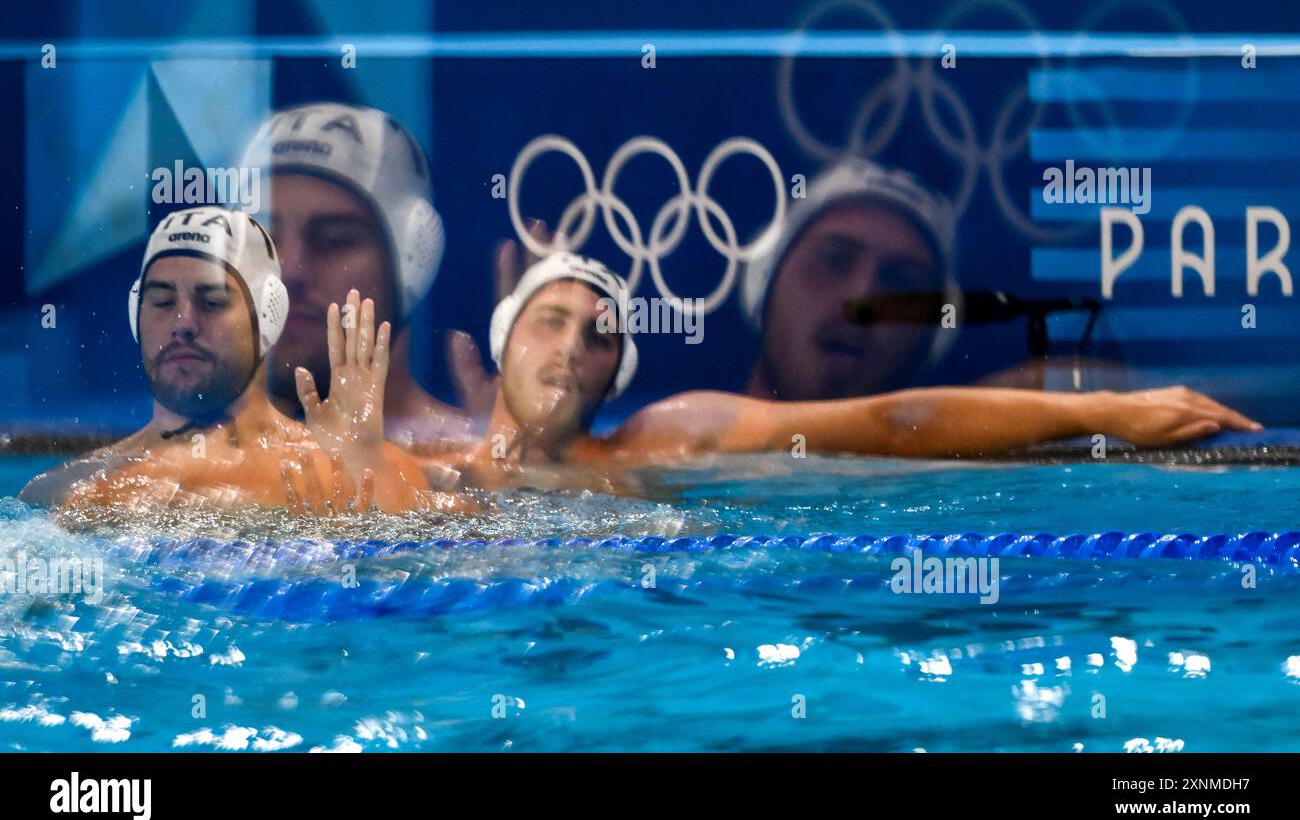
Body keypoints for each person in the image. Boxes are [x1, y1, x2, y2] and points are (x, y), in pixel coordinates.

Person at [434, 251, 1262, 490]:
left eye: (601, 334)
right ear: (507, 343)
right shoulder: (427, 475)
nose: (575, 344)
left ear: (617, 377)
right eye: (551, 322)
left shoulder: (662, 443)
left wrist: (1103, 413)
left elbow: (885, 424)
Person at [20, 206, 432, 514]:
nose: (183, 323)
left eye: (212, 301)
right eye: (162, 301)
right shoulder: (71, 494)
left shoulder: (353, 463)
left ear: (267, 316)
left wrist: (365, 478)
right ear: (136, 316)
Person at [239, 102, 474, 449]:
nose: (289, 271)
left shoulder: (474, 466)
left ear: (412, 260)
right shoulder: (184, 465)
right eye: (265, 239)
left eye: (334, 241)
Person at [740, 157, 960, 401]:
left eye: (900, 282)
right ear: (765, 278)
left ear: (932, 340)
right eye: (834, 260)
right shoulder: (690, 434)